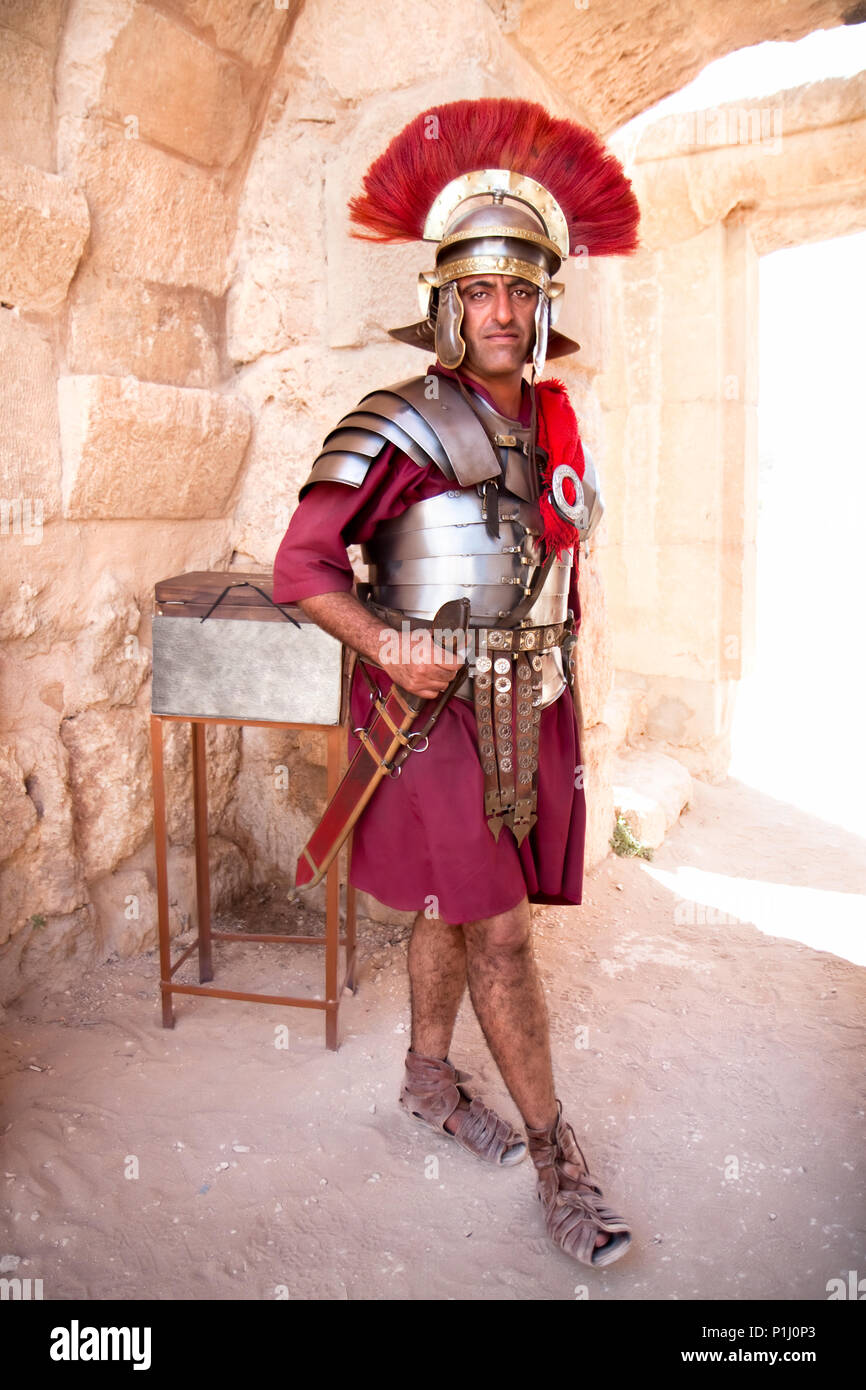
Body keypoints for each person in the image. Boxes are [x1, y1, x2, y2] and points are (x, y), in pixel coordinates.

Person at [273, 98, 640, 1268]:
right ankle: (556, 1161)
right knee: (499, 937)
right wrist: (385, 647)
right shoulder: (395, 424)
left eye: (520, 290)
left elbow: (552, 567)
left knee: (456, 903)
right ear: (442, 300)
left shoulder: (553, 422)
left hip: (526, 707)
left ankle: (428, 1078)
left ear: (543, 307)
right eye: (478, 289)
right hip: (426, 717)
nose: (499, 311)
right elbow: (300, 566)